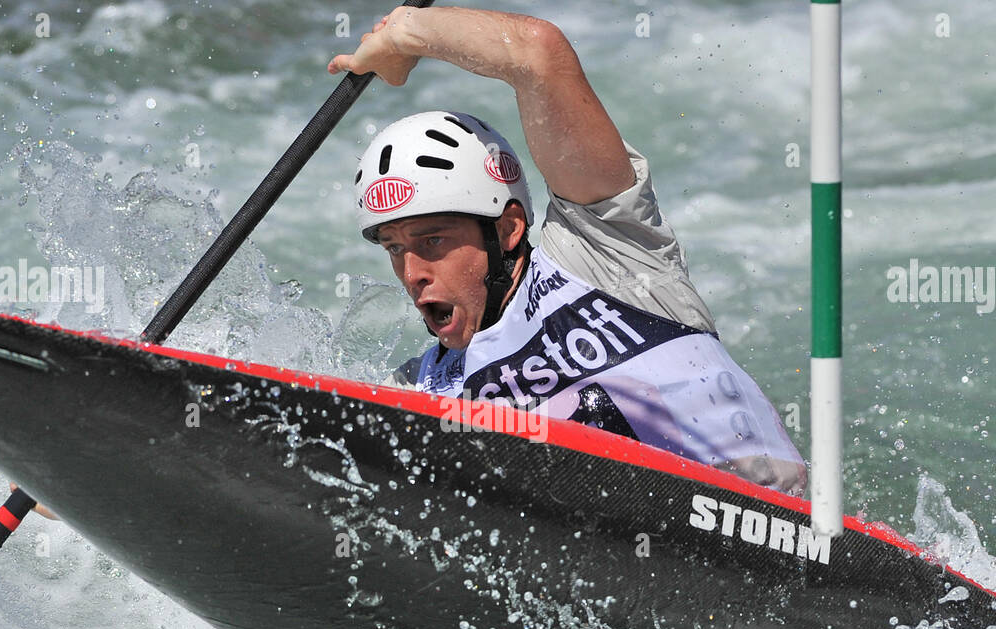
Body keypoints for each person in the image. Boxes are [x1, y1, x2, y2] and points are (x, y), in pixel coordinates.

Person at [330, 7, 807, 494]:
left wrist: (406, 35)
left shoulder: (608, 250)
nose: (412, 273)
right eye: (394, 248)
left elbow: (539, 54)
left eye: (433, 241)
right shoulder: (427, 389)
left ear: (509, 228)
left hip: (770, 530)